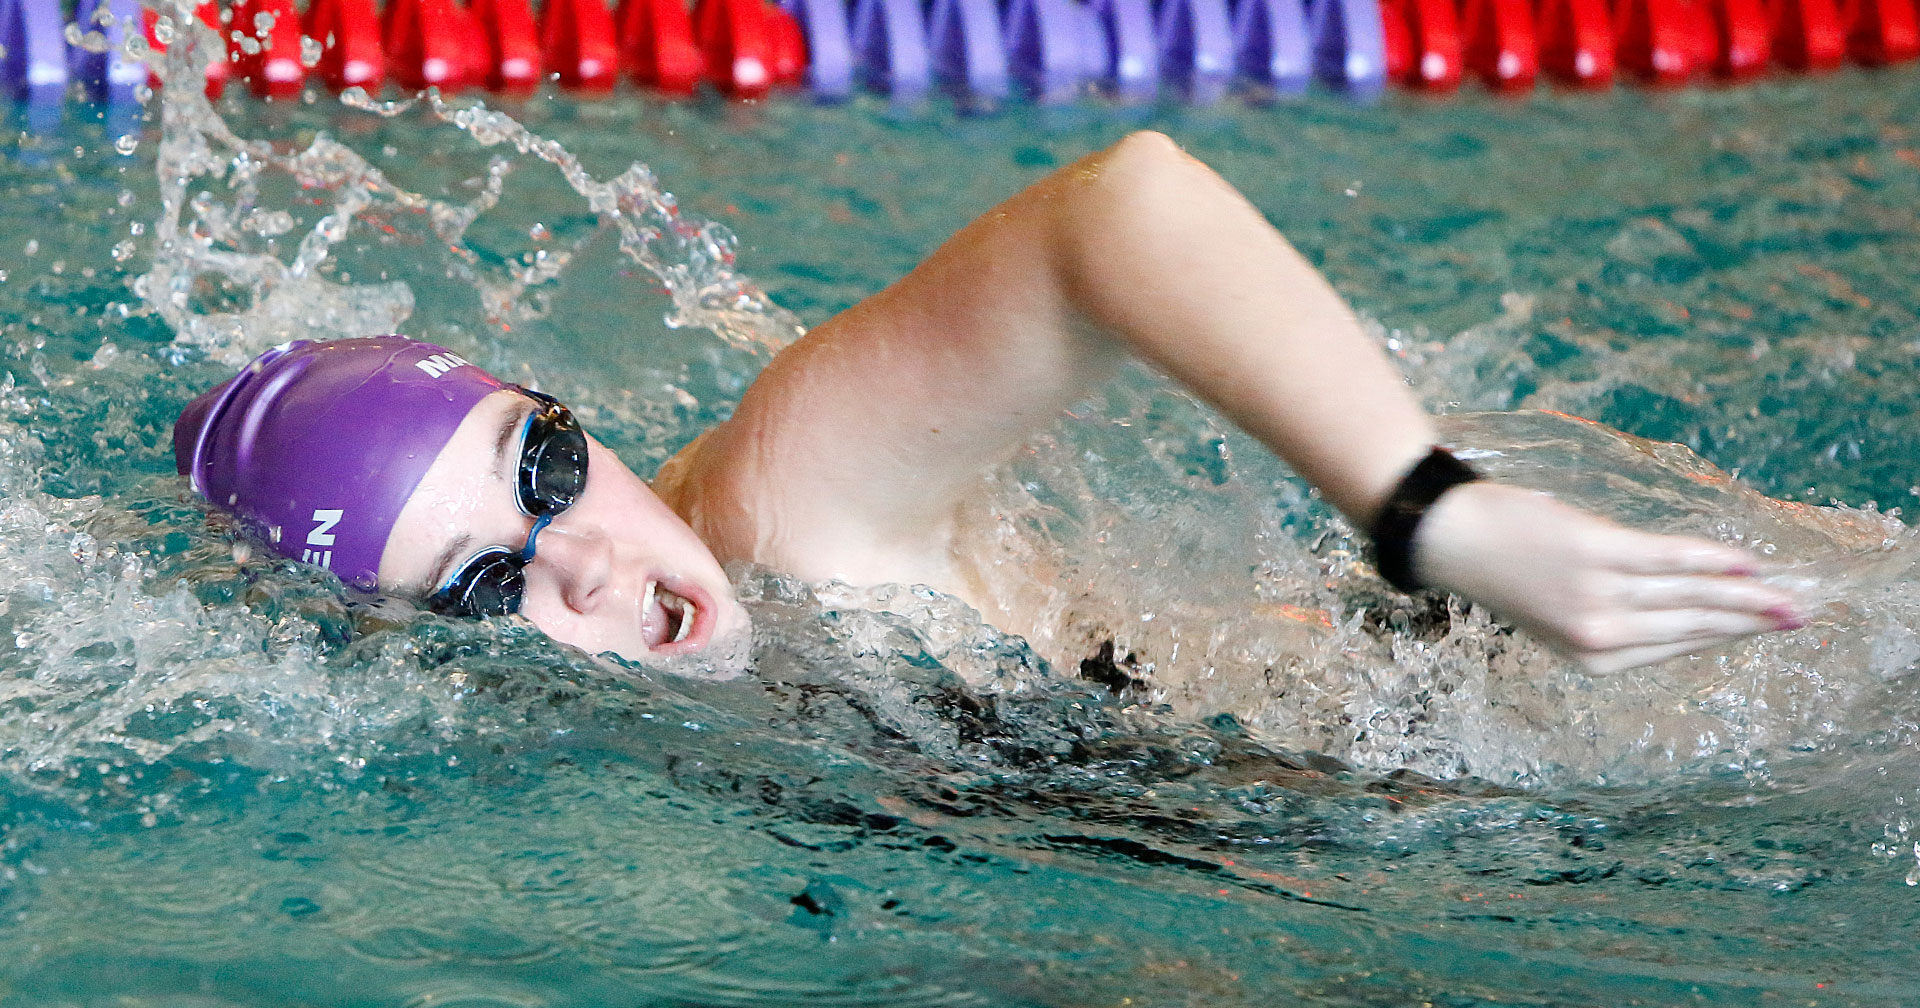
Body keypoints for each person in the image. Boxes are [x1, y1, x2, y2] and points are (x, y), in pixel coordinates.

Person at [173, 131, 1804, 680]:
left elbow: (1127, 211)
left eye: (542, 468)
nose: (585, 565)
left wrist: (1431, 513)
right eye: (481, 587)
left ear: (567, 410)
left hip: (1562, 661)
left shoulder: (792, 506)